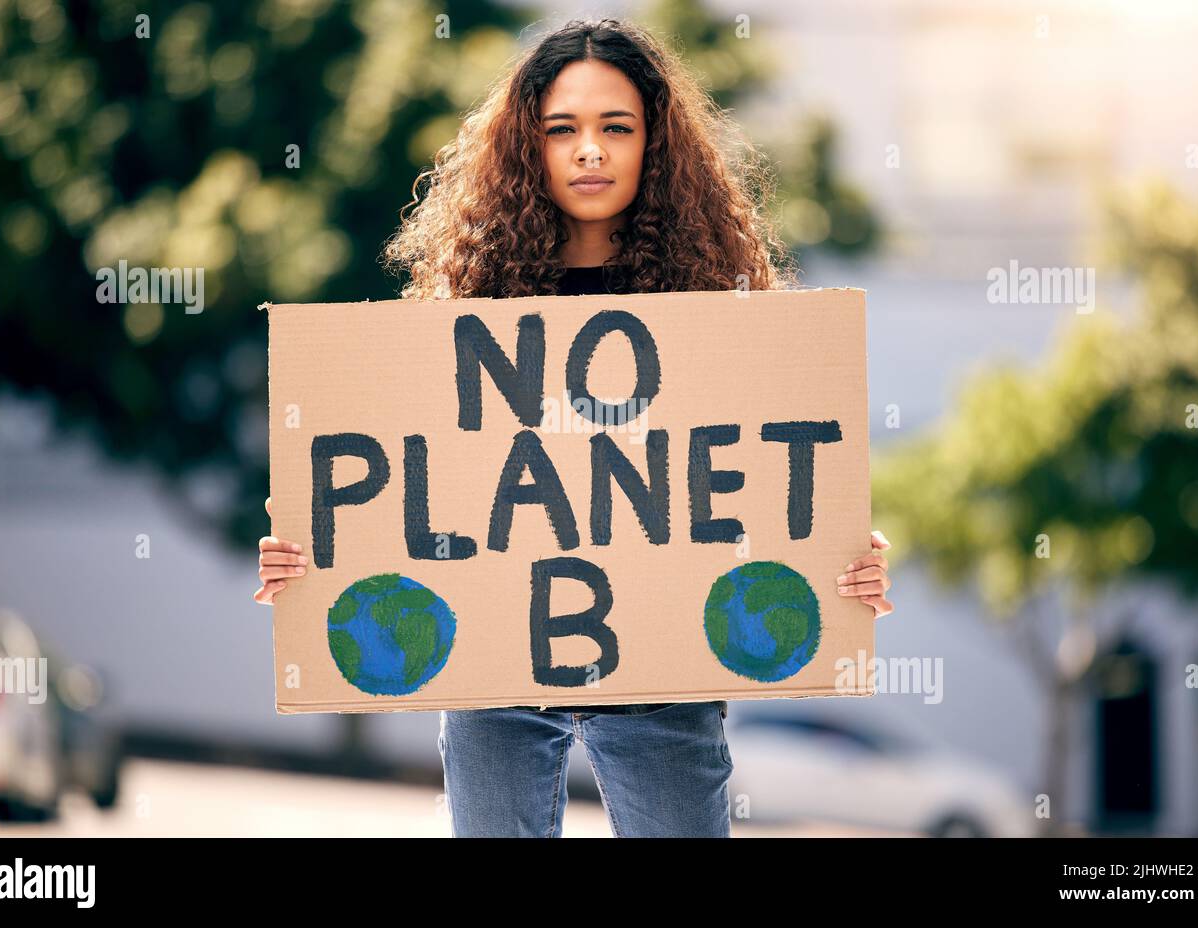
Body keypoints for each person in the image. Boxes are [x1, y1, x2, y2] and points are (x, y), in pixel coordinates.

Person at [254, 18, 894, 837]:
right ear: (532, 146)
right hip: (492, 674)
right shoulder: (467, 304)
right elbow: (418, 481)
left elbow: (762, 481)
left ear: (653, 143)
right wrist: (306, 559)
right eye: (563, 130)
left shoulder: (718, 305)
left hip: (665, 674)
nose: (590, 150)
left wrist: (838, 551)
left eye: (616, 128)